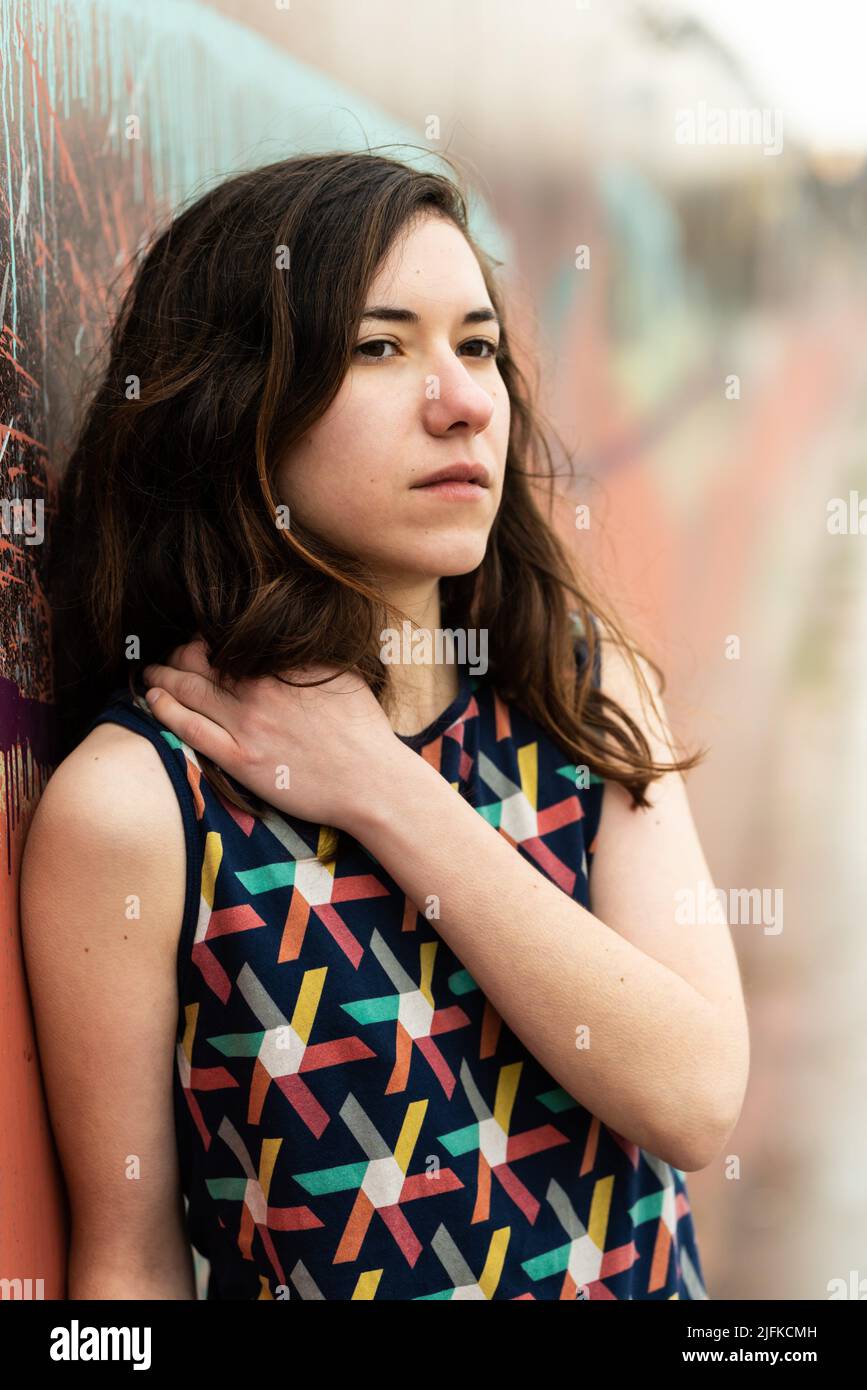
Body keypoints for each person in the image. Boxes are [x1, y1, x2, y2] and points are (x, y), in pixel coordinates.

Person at [22, 150, 749, 1300]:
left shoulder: (575, 690)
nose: (461, 399)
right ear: (242, 403)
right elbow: (128, 1258)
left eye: (476, 345)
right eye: (379, 346)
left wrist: (377, 782)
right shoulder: (143, 805)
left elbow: (697, 1097)